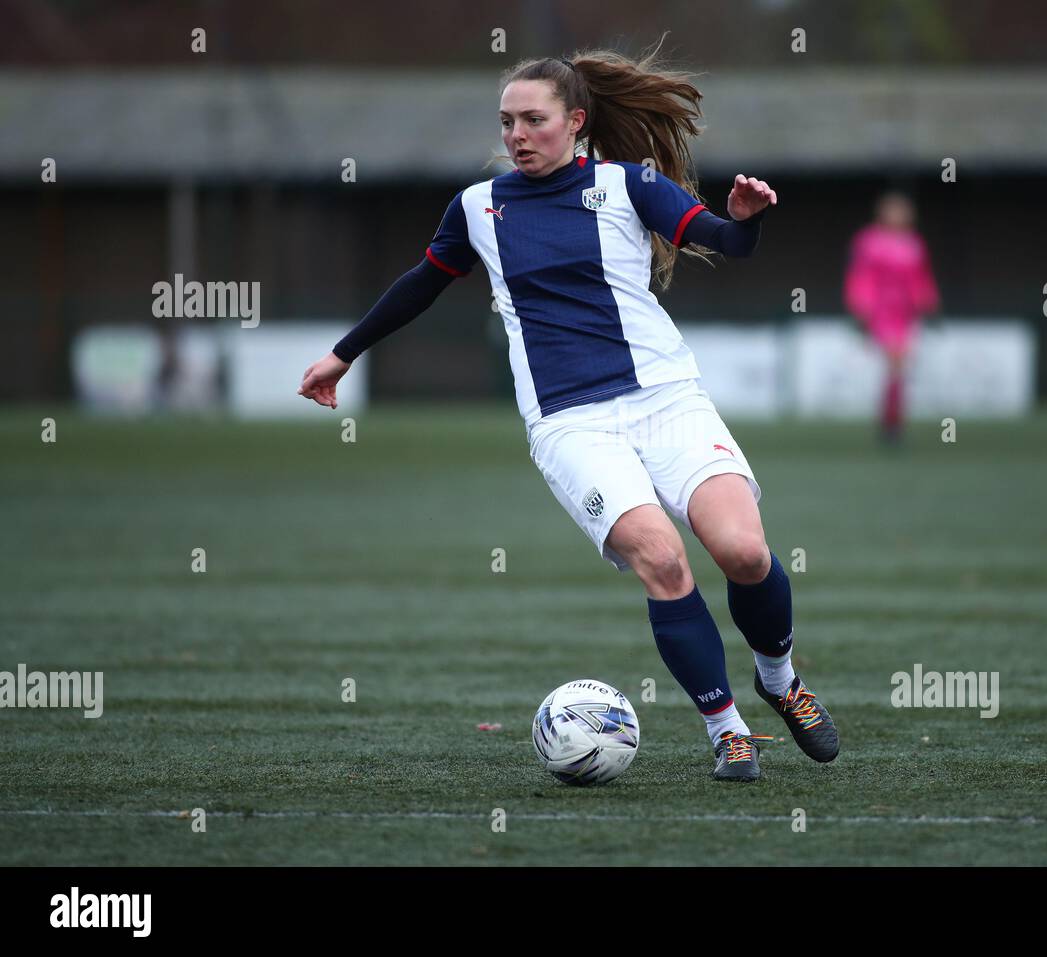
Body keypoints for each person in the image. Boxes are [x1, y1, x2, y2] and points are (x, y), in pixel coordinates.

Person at [297, 42, 838, 782]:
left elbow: (725, 241)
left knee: (744, 552)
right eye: (507, 121)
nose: (517, 134)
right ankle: (727, 729)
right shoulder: (478, 207)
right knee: (663, 558)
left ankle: (779, 683)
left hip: (667, 400)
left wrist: (746, 219)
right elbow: (422, 282)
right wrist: (344, 352)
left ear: (576, 122)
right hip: (571, 425)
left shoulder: (630, 185)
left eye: (533, 120)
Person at [843, 191, 940, 444]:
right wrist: (861, 305)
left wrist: (927, 302)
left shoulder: (913, 243)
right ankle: (891, 423)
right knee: (894, 364)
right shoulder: (869, 241)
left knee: (898, 369)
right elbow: (862, 276)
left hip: (905, 314)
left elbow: (920, 279)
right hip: (881, 311)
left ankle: (892, 420)